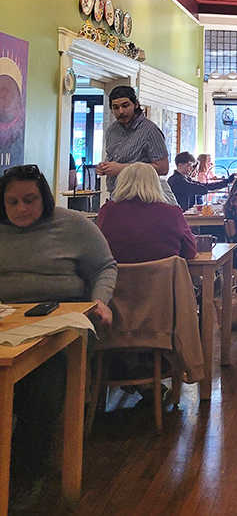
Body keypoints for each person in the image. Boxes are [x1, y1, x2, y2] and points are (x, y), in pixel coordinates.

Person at [0, 164, 116, 501]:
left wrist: (100, 301)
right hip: (7, 320)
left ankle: (27, 474)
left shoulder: (74, 225)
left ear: (45, 198)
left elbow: (105, 266)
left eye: (30, 200)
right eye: (13, 202)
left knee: (42, 385)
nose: (22, 209)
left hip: (59, 323)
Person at [98, 162, 197, 263]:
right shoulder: (172, 213)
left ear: (121, 183)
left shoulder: (107, 211)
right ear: (156, 184)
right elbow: (190, 251)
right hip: (164, 277)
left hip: (116, 277)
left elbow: (97, 249)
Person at [96, 86, 169, 193]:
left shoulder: (150, 130)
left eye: (125, 106)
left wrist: (121, 169)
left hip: (142, 197)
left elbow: (163, 168)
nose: (121, 111)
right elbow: (113, 158)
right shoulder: (112, 130)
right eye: (116, 107)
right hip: (115, 194)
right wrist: (104, 167)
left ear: (136, 104)